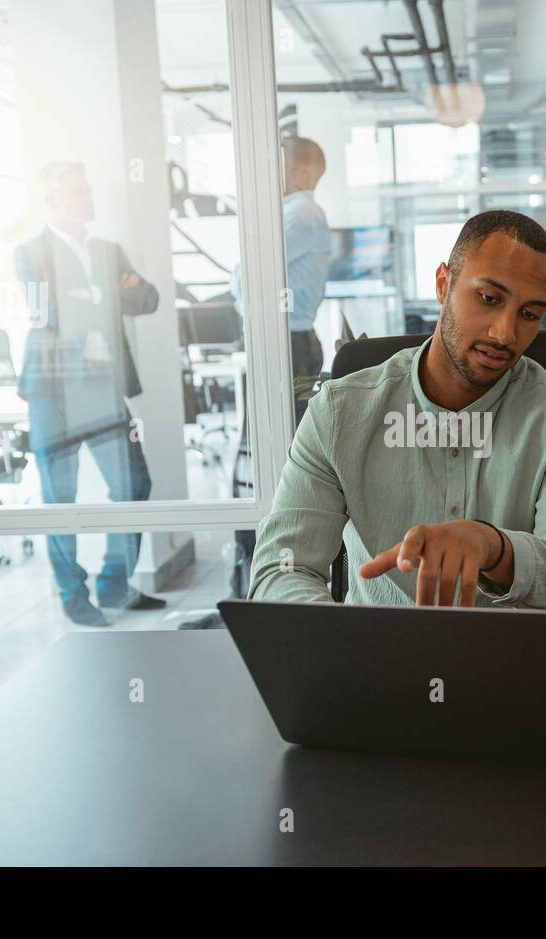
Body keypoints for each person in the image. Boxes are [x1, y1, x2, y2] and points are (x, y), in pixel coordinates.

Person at [248, 209, 546, 614]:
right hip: (374, 655)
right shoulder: (339, 413)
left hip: (513, 661)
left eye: (529, 314)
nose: (505, 333)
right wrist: (342, 643)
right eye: (489, 299)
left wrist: (496, 549)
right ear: (444, 284)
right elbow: (280, 571)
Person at [15, 160, 165, 627]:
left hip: (103, 385)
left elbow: (149, 299)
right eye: (76, 192)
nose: (87, 198)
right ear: (52, 201)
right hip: (54, 391)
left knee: (134, 484)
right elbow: (49, 314)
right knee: (60, 498)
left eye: (87, 189)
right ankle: (72, 595)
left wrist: (93, 295)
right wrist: (107, 292)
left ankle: (115, 585)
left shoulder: (108, 249)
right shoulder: (30, 252)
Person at [230, 136, 332, 596]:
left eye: (281, 165)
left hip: (285, 345)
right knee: (265, 451)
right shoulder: (298, 214)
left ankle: (265, 570)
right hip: (287, 342)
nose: (272, 175)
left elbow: (246, 275)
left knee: (273, 456)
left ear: (304, 171)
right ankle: (260, 567)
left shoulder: (299, 214)